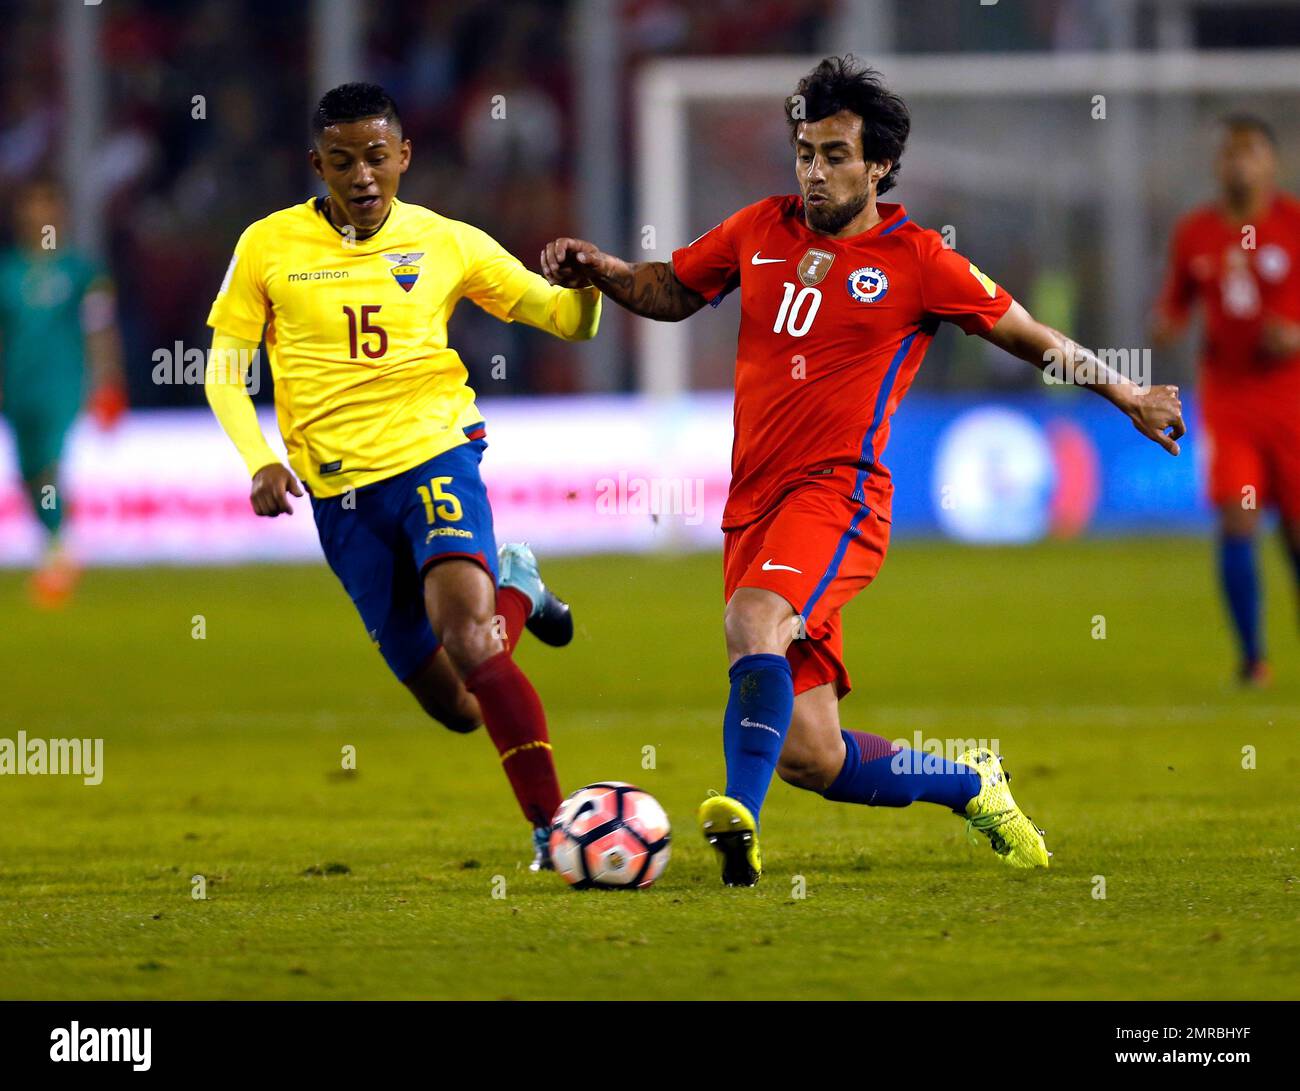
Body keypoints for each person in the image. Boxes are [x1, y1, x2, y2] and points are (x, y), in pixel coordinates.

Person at [542, 56, 1185, 886]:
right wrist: (604, 270)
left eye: (836, 154)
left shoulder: (920, 260)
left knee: (752, 621)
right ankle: (971, 783)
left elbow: (1030, 336)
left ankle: (739, 821)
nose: (814, 171)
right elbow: (670, 290)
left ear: (878, 163)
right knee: (814, 753)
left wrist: (1127, 390)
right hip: (755, 506)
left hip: (839, 496)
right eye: (806, 152)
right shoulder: (758, 229)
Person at [205, 83, 600, 868]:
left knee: (468, 638)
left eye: (377, 158)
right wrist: (259, 459)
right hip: (343, 499)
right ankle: (518, 583)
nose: (361, 177)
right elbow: (223, 372)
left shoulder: (448, 240)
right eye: (343, 161)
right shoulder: (267, 246)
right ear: (317, 164)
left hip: (434, 456)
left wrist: (589, 285)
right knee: (457, 705)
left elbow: (561, 319)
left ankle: (556, 827)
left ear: (404, 157)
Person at [1154, 114, 1300, 687]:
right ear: (1219, 164)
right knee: (1237, 521)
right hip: (1229, 400)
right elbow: (1175, 304)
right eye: (1230, 152)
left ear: (1272, 162)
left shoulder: (1293, 224)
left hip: (1292, 400)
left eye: (1250, 151)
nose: (1239, 162)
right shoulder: (1196, 232)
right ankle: (1253, 658)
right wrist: (1164, 324)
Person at [0, 178, 125, 607]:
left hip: (63, 382)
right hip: (18, 386)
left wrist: (108, 381)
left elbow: (100, 330)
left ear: (59, 213)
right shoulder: (7, 272)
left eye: (46, 205)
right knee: (29, 470)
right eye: (30, 205)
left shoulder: (81, 272)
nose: (38, 215)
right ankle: (54, 544)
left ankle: (60, 553)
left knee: (50, 463)